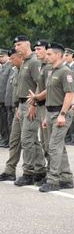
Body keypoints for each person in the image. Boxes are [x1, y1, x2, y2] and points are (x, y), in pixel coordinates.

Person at [36, 42, 74, 192]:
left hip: (61, 113)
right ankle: (66, 178)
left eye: (50, 54)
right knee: (59, 147)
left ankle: (53, 180)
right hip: (51, 112)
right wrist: (46, 116)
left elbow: (70, 94)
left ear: (58, 55)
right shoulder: (52, 71)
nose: (47, 56)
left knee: (53, 146)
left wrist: (63, 114)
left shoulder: (65, 72)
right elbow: (50, 94)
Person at [13, 36, 47, 186]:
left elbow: (40, 85)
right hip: (23, 104)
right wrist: (19, 107)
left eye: (19, 44)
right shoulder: (24, 62)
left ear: (28, 45)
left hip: (32, 105)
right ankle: (39, 170)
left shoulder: (34, 62)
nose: (16, 47)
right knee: (32, 139)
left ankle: (29, 172)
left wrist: (34, 104)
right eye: (15, 45)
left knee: (27, 139)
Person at [0, 51, 24, 181]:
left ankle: (35, 171)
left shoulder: (31, 66)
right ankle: (10, 171)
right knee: (14, 140)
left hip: (28, 107)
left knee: (29, 141)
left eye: (12, 58)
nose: (10, 60)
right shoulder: (16, 70)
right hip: (17, 107)